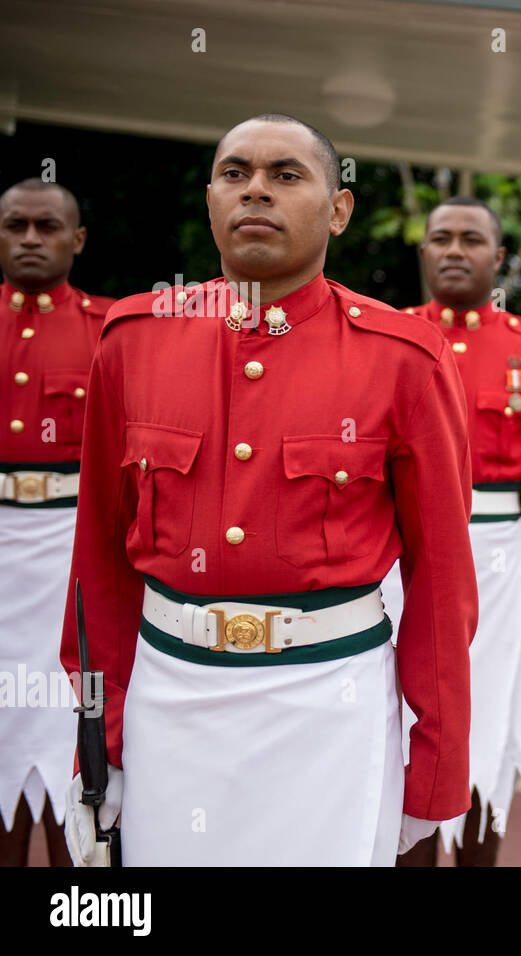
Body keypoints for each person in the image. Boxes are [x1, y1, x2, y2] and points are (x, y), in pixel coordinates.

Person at [58, 114, 477, 866]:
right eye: (234, 175)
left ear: (339, 210)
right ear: (211, 200)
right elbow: (97, 569)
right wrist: (100, 736)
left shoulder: (403, 358)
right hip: (169, 697)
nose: (256, 191)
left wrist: (437, 768)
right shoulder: (134, 340)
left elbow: (442, 578)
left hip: (330, 703)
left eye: (287, 175)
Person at [389, 196, 521, 867]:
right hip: (400, 552)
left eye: (472, 240)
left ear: (497, 259)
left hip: (495, 552)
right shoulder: (391, 338)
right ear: (423, 252)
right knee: (403, 713)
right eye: (441, 238)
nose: (454, 250)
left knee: (483, 721)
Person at [0, 179, 111, 867]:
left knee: (71, 729)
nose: (31, 238)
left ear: (77, 239)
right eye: (16, 226)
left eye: (47, 226)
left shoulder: (108, 331)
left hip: (73, 551)